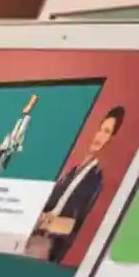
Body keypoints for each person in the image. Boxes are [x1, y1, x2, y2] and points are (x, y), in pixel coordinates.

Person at [32, 106, 126, 264]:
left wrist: (47, 222)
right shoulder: (72, 172)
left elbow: (74, 225)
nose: (100, 136)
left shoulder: (96, 180)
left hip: (50, 244)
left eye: (107, 132)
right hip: (36, 234)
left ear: (112, 139)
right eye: (101, 129)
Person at [0, 93, 38, 175]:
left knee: (23, 118)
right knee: (24, 122)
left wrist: (4, 147)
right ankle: (32, 102)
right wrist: (16, 148)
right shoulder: (2, 164)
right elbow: (12, 153)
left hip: (11, 140)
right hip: (15, 141)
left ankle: (32, 102)